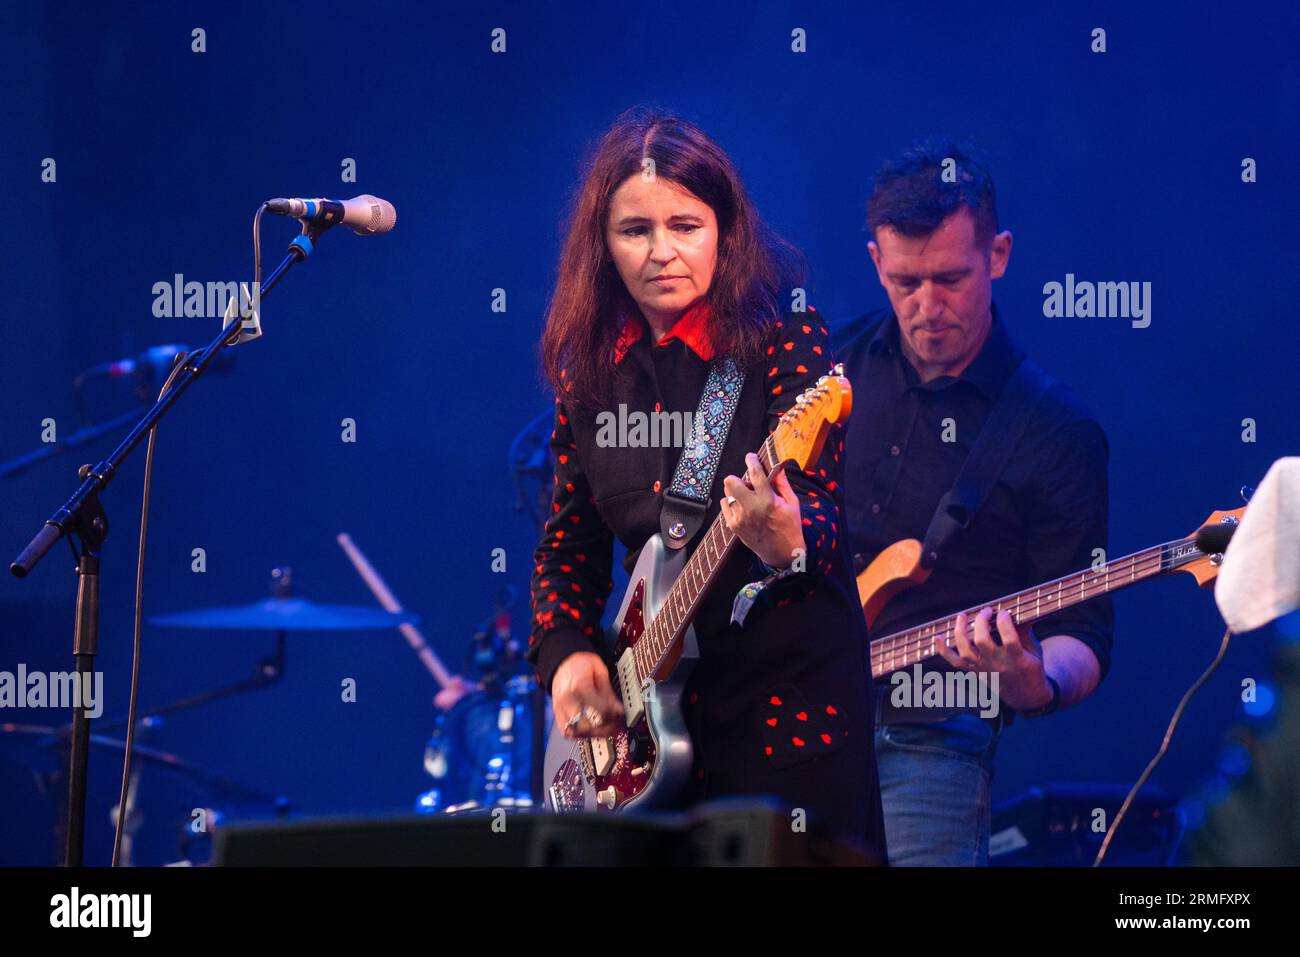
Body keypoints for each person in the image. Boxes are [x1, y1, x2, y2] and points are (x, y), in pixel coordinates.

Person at [527, 107, 886, 854]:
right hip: (649, 745)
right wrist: (566, 654)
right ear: (602, 244)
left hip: (785, 717)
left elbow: (819, 517)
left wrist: (786, 536)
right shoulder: (587, 376)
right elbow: (568, 546)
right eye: (636, 231)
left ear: (725, 230)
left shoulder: (783, 337)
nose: (663, 252)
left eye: (685, 226)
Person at [836, 142, 1114, 865]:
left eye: (951, 278)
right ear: (875, 262)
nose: (927, 307)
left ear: (998, 254)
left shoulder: (1056, 431)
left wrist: (1035, 680)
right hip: (790, 720)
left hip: (930, 738)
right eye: (904, 282)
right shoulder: (827, 368)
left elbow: (1084, 628)